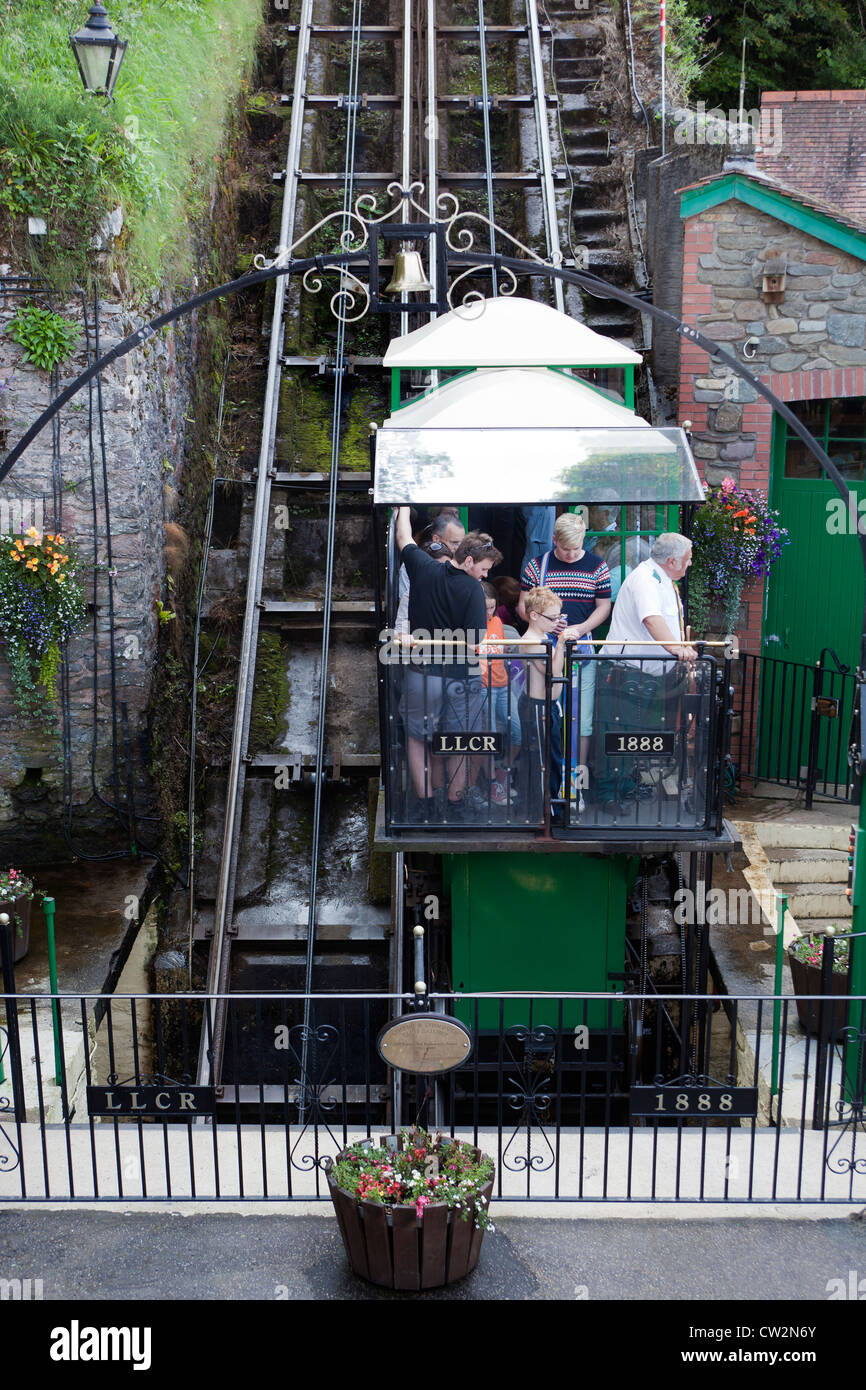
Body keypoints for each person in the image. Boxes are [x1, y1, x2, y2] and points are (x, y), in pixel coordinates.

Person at [394, 507, 502, 821]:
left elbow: (403, 536)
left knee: (416, 737)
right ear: (468, 560)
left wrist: (402, 508)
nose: (484, 576)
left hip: (422, 672)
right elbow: (474, 640)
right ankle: (454, 801)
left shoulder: (423, 569)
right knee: (458, 739)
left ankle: (426, 803)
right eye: (483, 569)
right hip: (461, 675)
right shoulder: (472, 589)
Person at [599, 533, 699, 811]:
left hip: (643, 674)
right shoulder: (646, 580)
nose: (689, 565)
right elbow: (652, 621)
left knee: (633, 733)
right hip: (626, 671)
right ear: (672, 560)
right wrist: (679, 649)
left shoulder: (661, 579)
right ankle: (609, 793)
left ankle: (626, 786)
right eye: (688, 560)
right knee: (618, 733)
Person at [518, 512, 612, 800]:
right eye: (565, 548)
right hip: (544, 651)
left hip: (581, 650)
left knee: (580, 720)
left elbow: (604, 606)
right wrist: (546, 624)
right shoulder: (538, 565)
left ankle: (576, 786)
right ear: (554, 540)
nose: (571, 554)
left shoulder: (598, 566)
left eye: (576, 548)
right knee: (547, 721)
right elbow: (523, 607)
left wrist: (580, 628)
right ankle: (546, 789)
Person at [518, 586, 584, 823]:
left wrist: (561, 645)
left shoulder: (543, 637)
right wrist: (563, 642)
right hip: (537, 706)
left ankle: (550, 808)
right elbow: (553, 673)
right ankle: (543, 813)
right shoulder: (531, 640)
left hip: (549, 705)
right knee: (542, 762)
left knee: (553, 758)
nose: (557, 622)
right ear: (534, 615)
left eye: (559, 617)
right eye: (552, 618)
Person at [479, 581, 521, 805]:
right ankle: (492, 783)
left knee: (517, 733)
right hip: (483, 687)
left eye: (492, 607)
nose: (488, 612)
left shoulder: (497, 621)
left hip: (503, 685)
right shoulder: (470, 624)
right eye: (484, 607)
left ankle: (502, 772)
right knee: (489, 738)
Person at [395, 511, 465, 638]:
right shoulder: (412, 565)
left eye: (462, 543)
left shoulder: (466, 565)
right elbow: (407, 605)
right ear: (436, 539)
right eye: (455, 543)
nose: (459, 549)